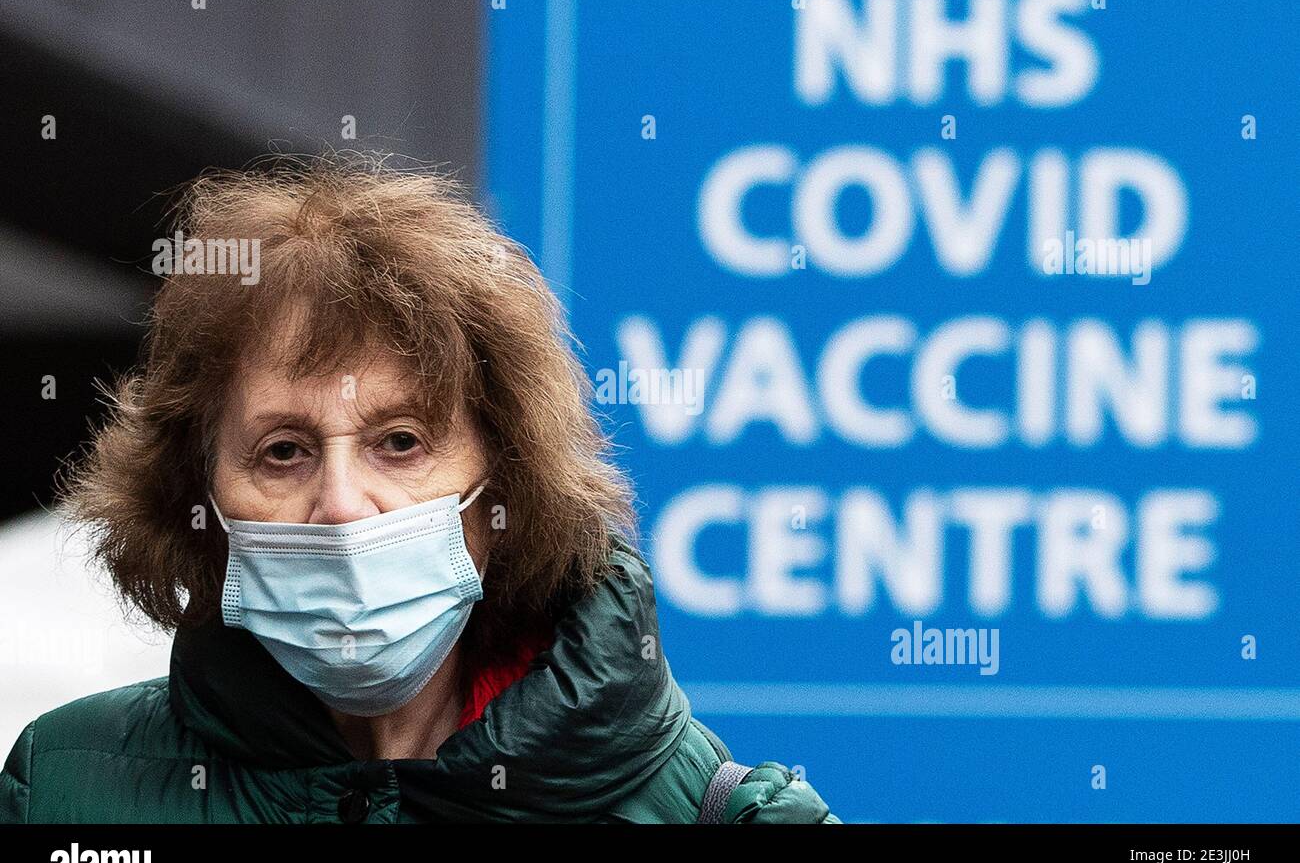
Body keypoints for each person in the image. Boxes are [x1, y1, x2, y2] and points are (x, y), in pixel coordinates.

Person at [0, 155, 838, 823]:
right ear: (201, 503)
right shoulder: (68, 789)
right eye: (283, 451)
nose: (340, 502)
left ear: (504, 487)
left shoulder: (706, 812)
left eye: (399, 443)